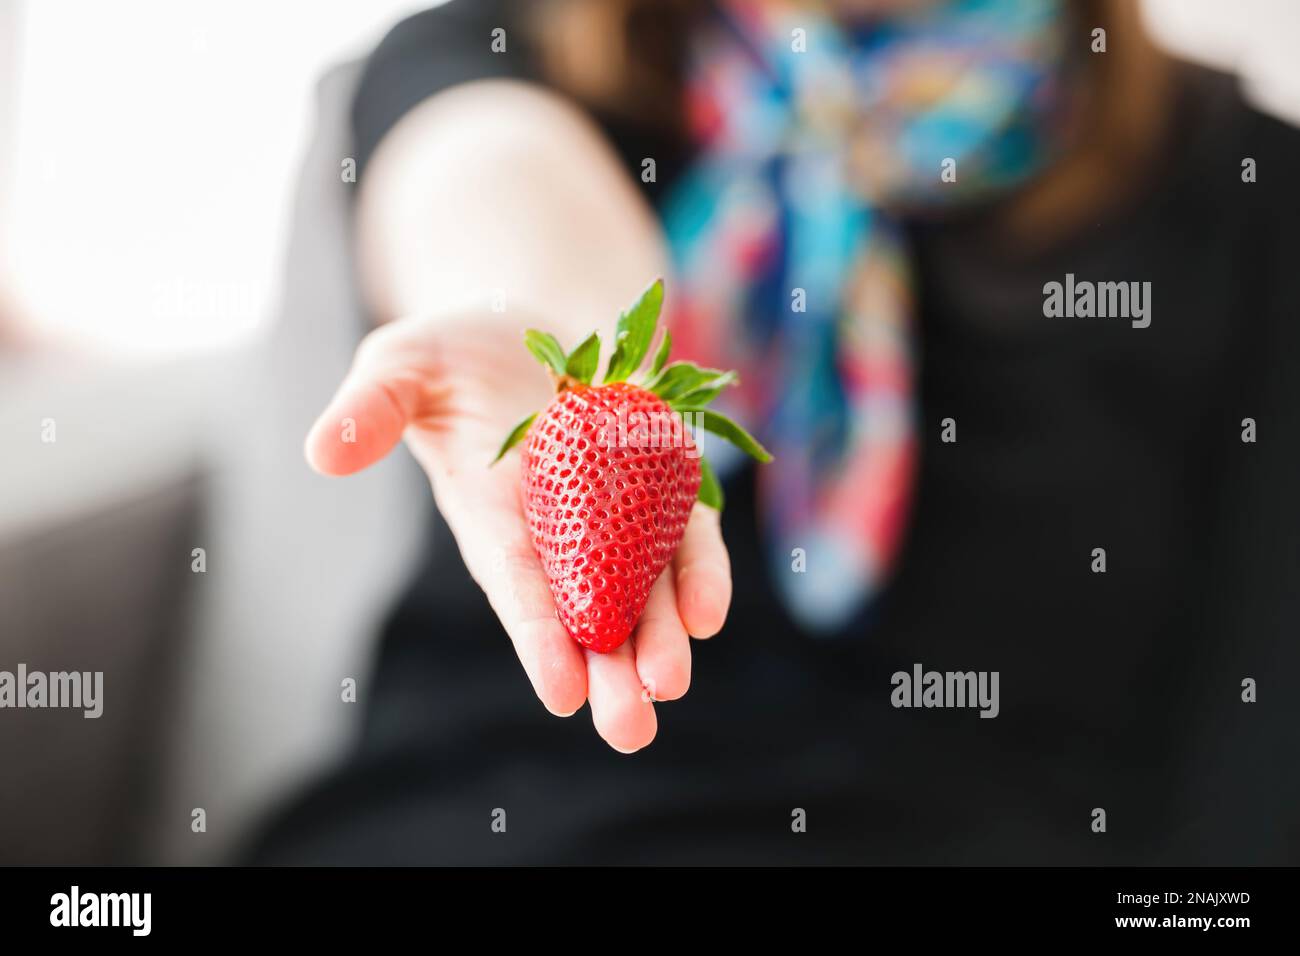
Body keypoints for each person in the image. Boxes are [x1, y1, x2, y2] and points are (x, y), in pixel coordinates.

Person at [246, 0, 1300, 864]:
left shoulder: (1249, 192)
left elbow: (1260, 737)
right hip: (475, 825)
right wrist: (576, 345)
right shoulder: (507, 49)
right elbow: (485, 168)